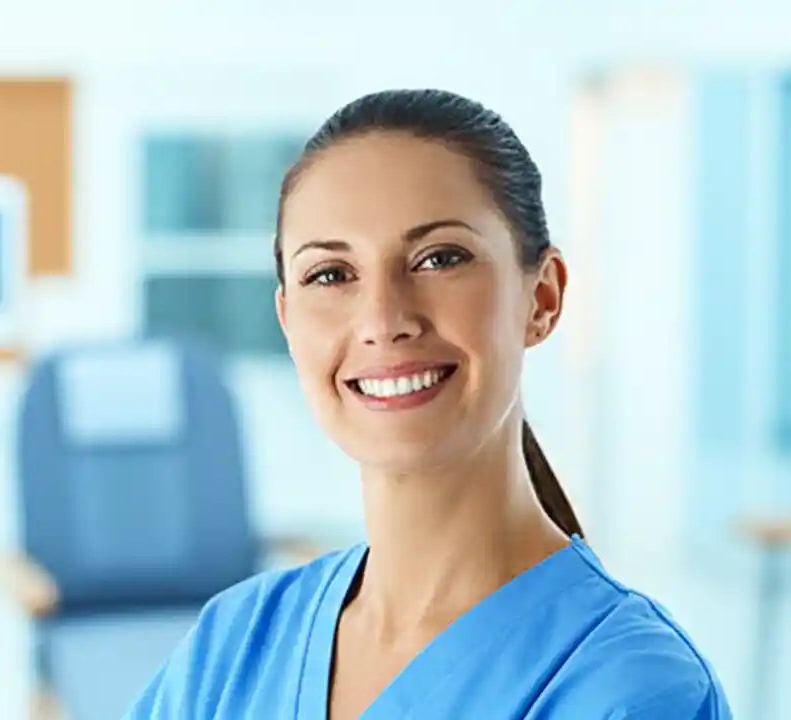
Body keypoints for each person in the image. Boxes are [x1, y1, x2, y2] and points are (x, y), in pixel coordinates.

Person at [125, 89, 731, 719]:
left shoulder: (627, 687)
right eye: (330, 274)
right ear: (287, 319)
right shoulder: (234, 645)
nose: (383, 320)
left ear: (542, 297)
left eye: (439, 259)